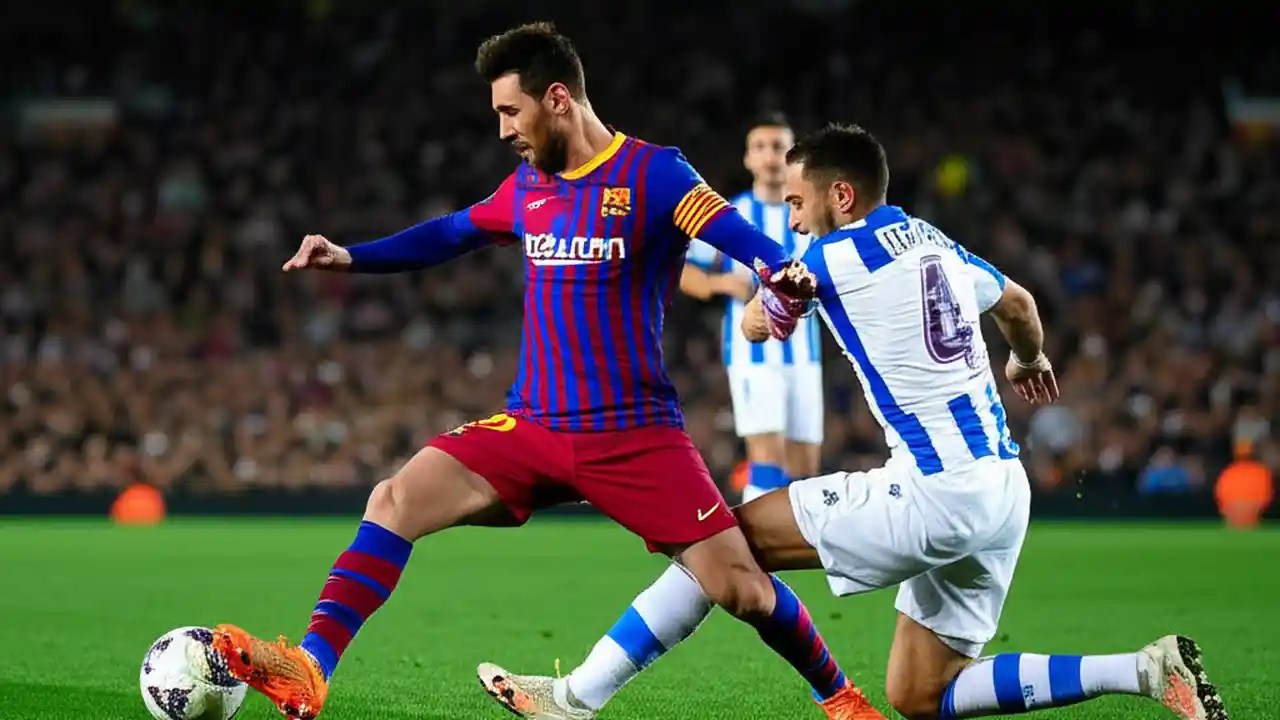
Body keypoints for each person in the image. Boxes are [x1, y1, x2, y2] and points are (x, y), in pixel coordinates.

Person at [206, 24, 874, 720]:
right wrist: (350, 256)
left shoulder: (656, 173)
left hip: (633, 437)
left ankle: (842, 698)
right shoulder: (528, 187)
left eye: (509, 112)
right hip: (531, 428)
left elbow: (744, 240)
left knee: (741, 587)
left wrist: (784, 276)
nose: (503, 131)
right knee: (394, 499)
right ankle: (311, 667)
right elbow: (451, 232)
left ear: (557, 98)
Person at [479, 124, 1229, 720]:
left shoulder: (832, 257)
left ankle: (576, 698)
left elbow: (756, 321)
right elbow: (1021, 308)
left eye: (800, 201)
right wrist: (1027, 361)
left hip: (934, 495)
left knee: (718, 544)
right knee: (919, 694)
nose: (792, 214)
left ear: (841, 195)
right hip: (1003, 492)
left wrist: (768, 303)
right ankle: (1144, 670)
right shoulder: (936, 242)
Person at [682, 113, 824, 501]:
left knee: (805, 468)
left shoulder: (813, 216)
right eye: (761, 147)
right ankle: (757, 558)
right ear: (747, 159)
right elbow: (686, 274)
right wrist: (722, 282)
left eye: (779, 147)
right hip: (753, 353)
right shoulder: (730, 215)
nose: (770, 156)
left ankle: (792, 553)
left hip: (805, 354)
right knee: (767, 458)